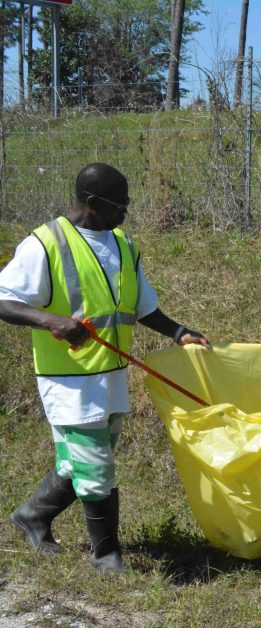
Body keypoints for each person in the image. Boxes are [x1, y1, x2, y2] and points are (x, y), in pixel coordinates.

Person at [0, 162, 209, 574]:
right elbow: (3, 299)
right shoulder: (46, 244)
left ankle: (33, 515)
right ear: (92, 203)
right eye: (120, 205)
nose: (126, 213)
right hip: (68, 381)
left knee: (79, 461)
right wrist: (53, 321)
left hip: (112, 374)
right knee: (96, 467)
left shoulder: (123, 245)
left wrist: (178, 331)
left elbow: (142, 305)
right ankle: (106, 556)